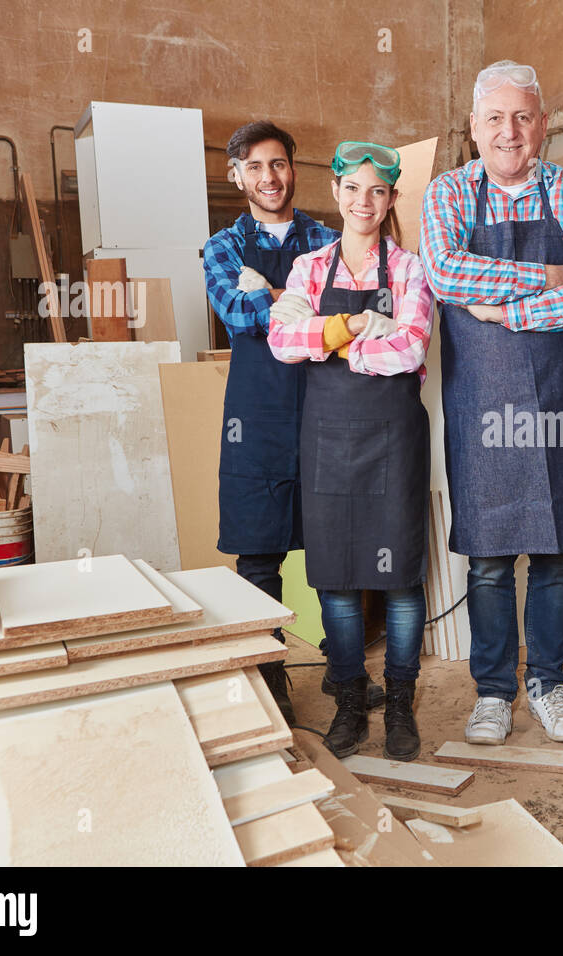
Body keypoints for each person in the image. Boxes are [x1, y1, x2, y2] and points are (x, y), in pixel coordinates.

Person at [420, 60, 563, 746]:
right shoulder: (447, 193)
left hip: (561, 394)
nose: (510, 131)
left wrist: (508, 313)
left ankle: (550, 684)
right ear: (474, 128)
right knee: (492, 557)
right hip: (483, 399)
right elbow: (445, 271)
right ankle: (495, 691)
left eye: (523, 116)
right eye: (495, 118)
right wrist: (546, 277)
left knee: (559, 550)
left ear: (543, 124)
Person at [267, 142, 435, 760]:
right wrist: (357, 327)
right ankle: (348, 700)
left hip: (393, 440)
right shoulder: (310, 267)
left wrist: (331, 341)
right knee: (334, 578)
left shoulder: (411, 270)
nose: (364, 202)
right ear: (336, 191)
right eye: (353, 188)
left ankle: (398, 702)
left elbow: (412, 348)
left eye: (378, 191)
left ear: (390, 199)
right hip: (327, 441)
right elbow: (282, 339)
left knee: (400, 580)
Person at [202, 120, 342, 725]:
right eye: (255, 167)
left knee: (338, 547)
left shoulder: (330, 236)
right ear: (237, 176)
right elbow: (239, 312)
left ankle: (347, 672)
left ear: (294, 168)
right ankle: (270, 677)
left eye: (279, 164)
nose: (269, 177)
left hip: (328, 406)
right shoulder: (221, 247)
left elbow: (351, 307)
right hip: (256, 416)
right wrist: (306, 304)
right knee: (259, 555)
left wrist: (279, 294)